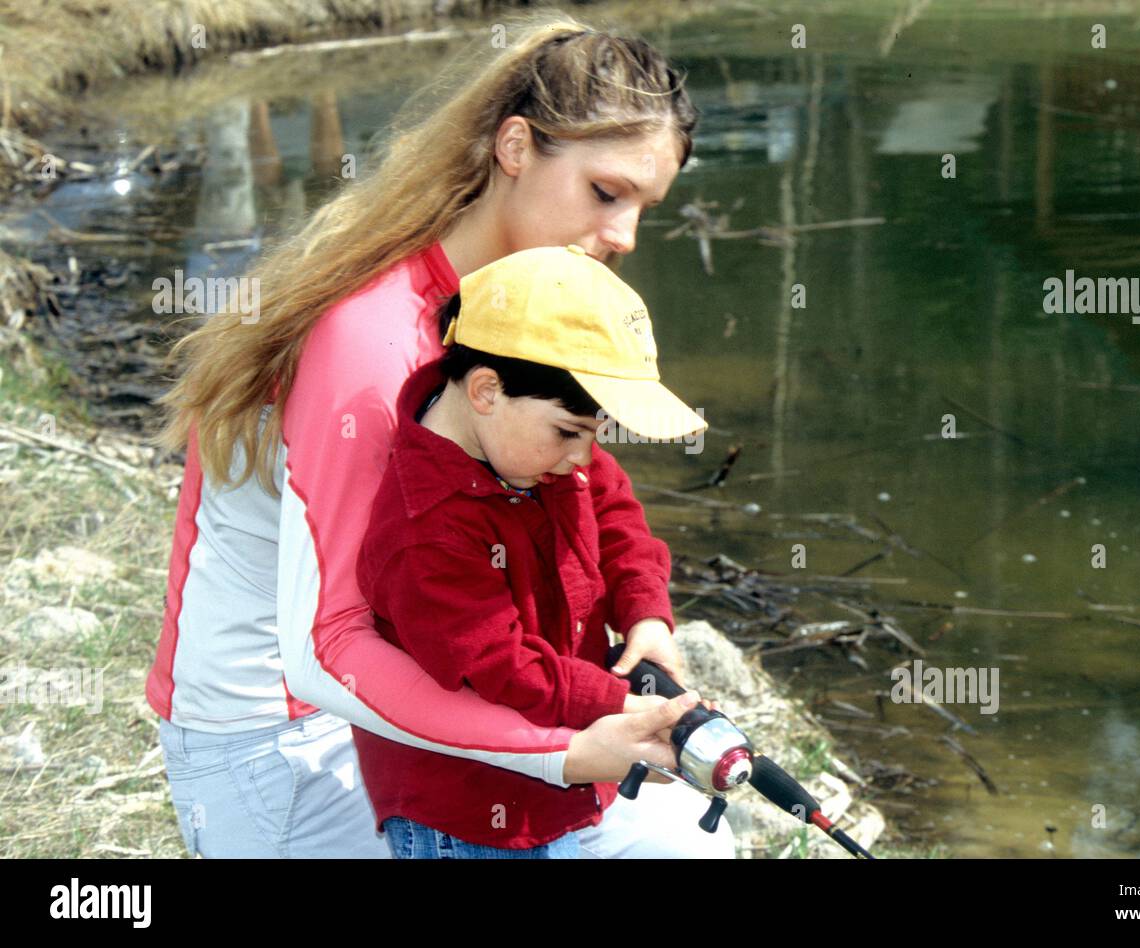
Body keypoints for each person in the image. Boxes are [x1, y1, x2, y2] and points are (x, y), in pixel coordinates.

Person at [147, 15, 734, 858]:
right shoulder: (375, 340)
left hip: (429, 686)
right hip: (290, 738)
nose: (624, 237)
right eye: (607, 193)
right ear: (516, 147)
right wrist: (566, 751)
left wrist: (647, 621)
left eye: (645, 206)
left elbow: (592, 492)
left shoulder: (526, 309)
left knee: (690, 838)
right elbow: (328, 651)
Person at [356, 244, 711, 857]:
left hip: (562, 784)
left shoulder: (537, 451)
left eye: (595, 436)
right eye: (570, 434)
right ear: (487, 390)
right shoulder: (425, 532)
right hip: (466, 816)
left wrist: (645, 615)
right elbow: (502, 664)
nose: (583, 457)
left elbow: (620, 520)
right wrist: (623, 704)